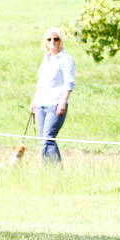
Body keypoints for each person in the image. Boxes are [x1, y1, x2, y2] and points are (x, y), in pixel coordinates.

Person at [29, 27, 74, 165]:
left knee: (49, 137)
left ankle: (56, 169)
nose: (53, 41)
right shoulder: (46, 58)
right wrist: (34, 101)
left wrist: (63, 102)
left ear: (60, 41)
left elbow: (69, 82)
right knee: (43, 140)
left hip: (56, 103)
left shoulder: (66, 59)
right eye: (49, 39)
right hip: (41, 103)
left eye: (56, 39)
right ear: (46, 42)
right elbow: (41, 82)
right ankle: (46, 168)